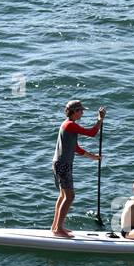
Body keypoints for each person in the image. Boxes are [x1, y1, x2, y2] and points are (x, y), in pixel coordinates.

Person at [51, 100, 105, 238]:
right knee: (70, 196)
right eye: (81, 110)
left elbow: (75, 148)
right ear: (74, 112)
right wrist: (100, 119)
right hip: (63, 165)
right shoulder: (70, 125)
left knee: (63, 195)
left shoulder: (68, 125)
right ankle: (58, 229)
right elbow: (92, 133)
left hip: (59, 163)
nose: (83, 113)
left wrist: (92, 156)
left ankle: (56, 226)